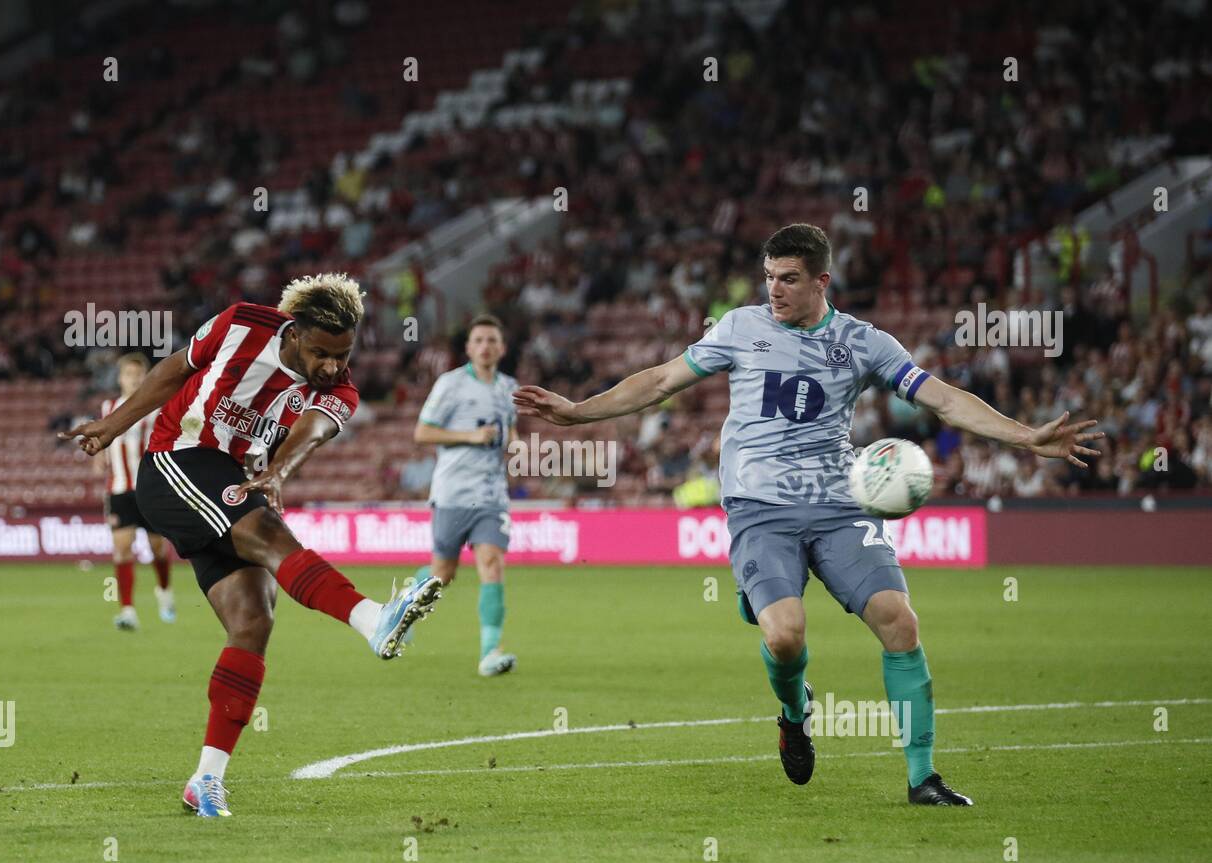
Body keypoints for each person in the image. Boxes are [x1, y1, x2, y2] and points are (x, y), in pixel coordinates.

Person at [514, 224, 1103, 806]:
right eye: (769, 277)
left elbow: (944, 398)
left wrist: (1026, 437)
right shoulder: (741, 328)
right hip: (759, 507)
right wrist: (578, 413)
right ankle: (795, 713)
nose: (775, 290)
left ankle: (922, 777)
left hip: (838, 506)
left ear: (822, 280)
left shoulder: (863, 342)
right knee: (787, 635)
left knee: (899, 621)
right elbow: (663, 380)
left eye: (789, 279)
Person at [60, 274, 443, 818]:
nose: (333, 366)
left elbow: (311, 429)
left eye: (343, 354)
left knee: (253, 620)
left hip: (237, 482)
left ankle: (206, 780)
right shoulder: (242, 322)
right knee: (270, 538)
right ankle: (372, 618)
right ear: (293, 332)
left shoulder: (342, 389)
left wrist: (280, 470)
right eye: (322, 353)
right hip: (177, 461)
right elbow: (175, 370)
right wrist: (115, 425)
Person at [413, 314, 518, 676]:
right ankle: (401, 611)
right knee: (443, 572)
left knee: (492, 563)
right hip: (453, 492)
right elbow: (423, 433)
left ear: (502, 348)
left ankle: (490, 652)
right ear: (469, 348)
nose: (486, 346)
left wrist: (523, 452)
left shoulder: (509, 388)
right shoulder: (450, 384)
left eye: (492, 340)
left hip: (491, 495)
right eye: (479, 340)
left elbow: (511, 435)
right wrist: (470, 437)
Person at [93, 353, 175, 630]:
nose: (134, 379)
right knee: (122, 549)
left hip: (150, 489)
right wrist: (97, 458)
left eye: (138, 375)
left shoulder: (156, 408)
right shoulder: (108, 407)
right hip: (118, 490)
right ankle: (127, 610)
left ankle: (164, 591)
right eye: (129, 374)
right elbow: (100, 438)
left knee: (157, 548)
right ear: (120, 378)